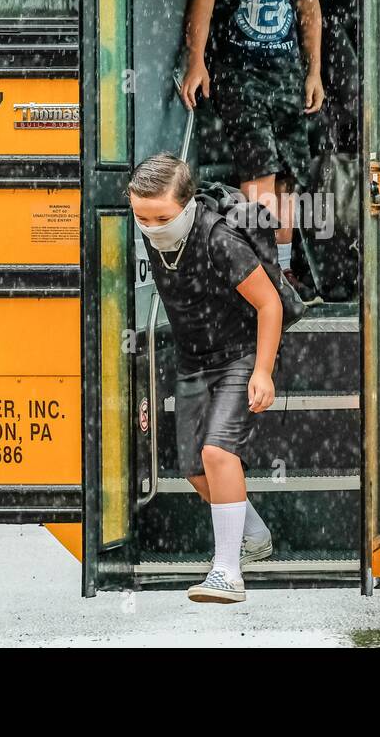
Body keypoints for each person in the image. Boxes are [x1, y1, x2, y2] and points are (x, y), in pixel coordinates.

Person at [127, 152, 283, 603]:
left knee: (217, 453)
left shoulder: (218, 240)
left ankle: (227, 572)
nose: (153, 227)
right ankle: (254, 537)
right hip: (193, 360)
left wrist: (263, 371)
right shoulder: (153, 239)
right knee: (194, 468)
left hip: (240, 354)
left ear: (188, 204)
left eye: (162, 217)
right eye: (142, 217)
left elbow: (269, 305)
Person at [179, 0, 328, 300]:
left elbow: (309, 7)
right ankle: (258, 277)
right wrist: (197, 60)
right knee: (257, 173)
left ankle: (280, 275)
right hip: (237, 69)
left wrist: (314, 72)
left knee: (287, 175)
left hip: (285, 68)